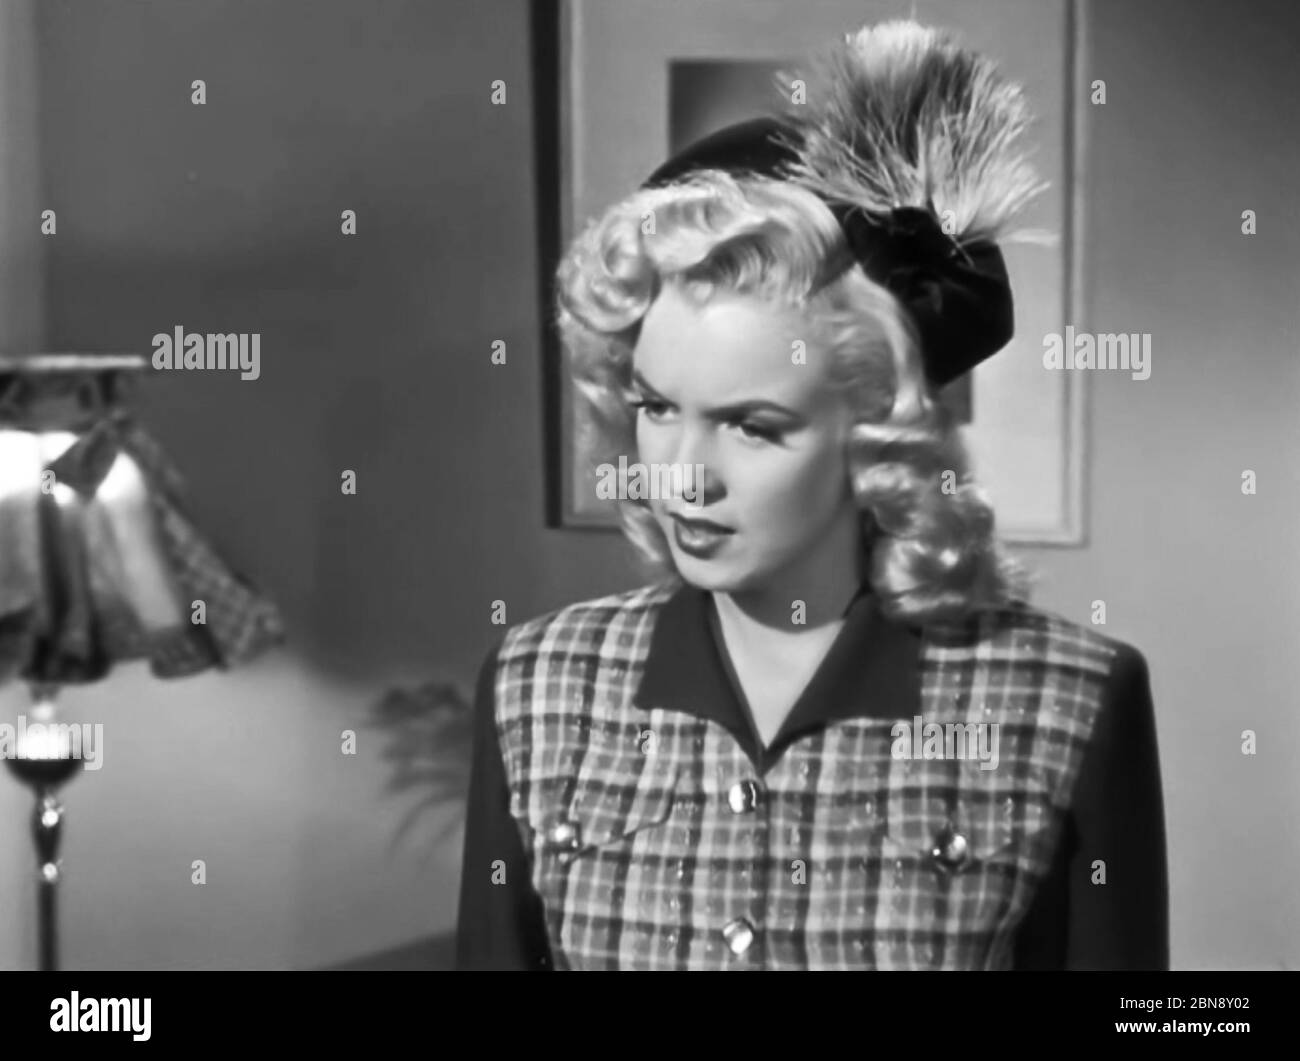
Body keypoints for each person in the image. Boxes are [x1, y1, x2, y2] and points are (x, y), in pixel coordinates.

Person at [455, 19, 1169, 971]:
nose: (682, 474)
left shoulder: (1066, 698)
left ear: (873, 429)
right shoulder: (538, 685)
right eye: (657, 407)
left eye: (753, 425)